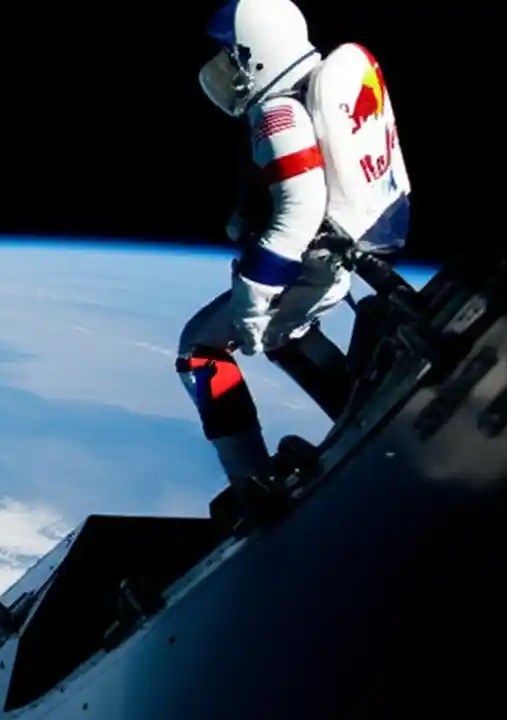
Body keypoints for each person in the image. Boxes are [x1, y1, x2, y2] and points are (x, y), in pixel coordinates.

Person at [177, 0, 412, 495]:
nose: (224, 68)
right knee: (291, 333)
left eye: (231, 55)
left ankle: (250, 483)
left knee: (199, 348)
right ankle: (355, 408)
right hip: (336, 261)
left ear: (255, 54)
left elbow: (299, 210)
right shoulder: (319, 87)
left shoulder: (278, 114)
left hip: (307, 267)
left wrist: (252, 300)